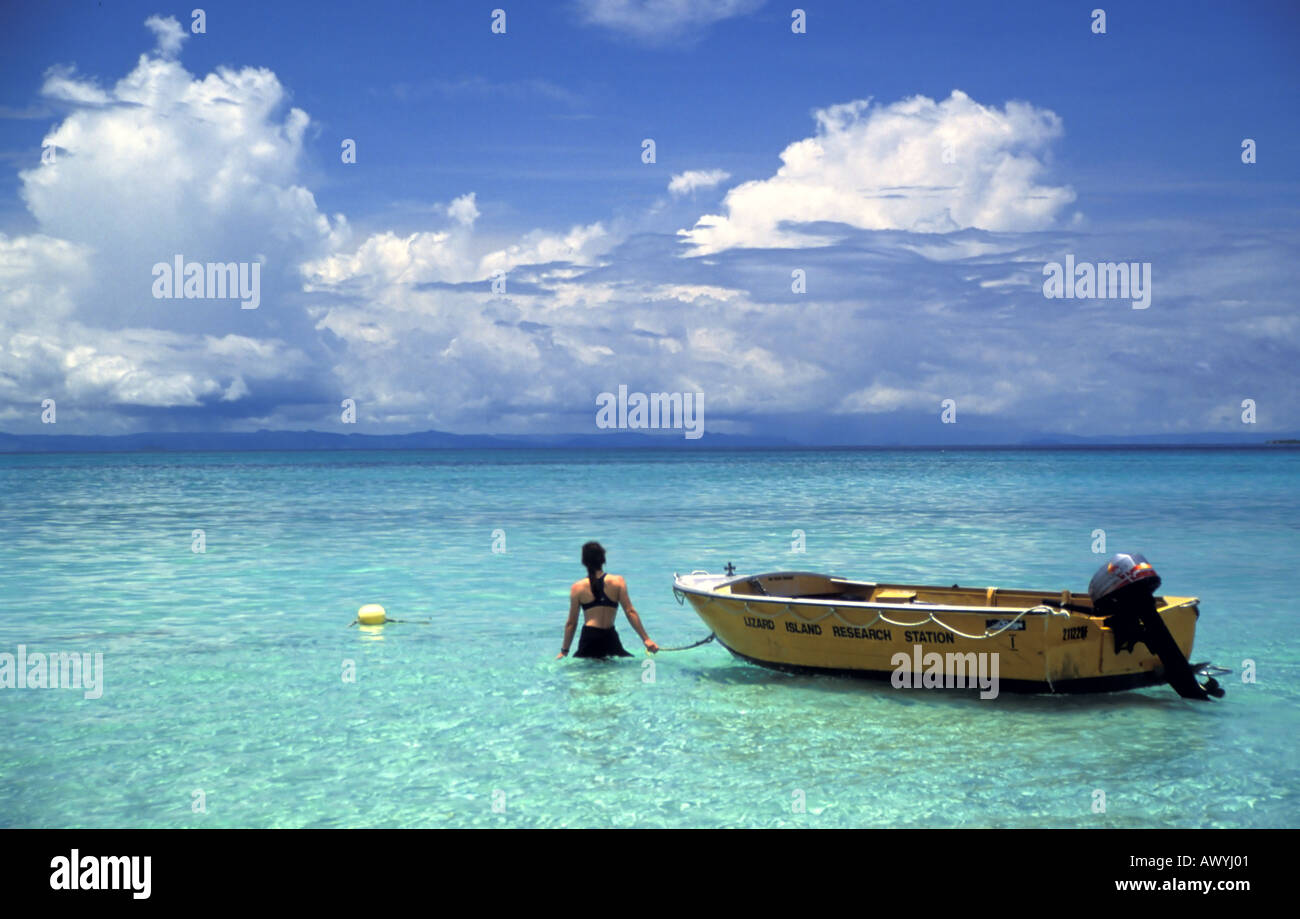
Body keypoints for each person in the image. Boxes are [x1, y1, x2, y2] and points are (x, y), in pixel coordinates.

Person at [557, 541, 659, 659]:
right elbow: (630, 612)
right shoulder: (618, 581)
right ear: (603, 559)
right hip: (610, 637)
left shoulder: (577, 587)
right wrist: (646, 639)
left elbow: (571, 623)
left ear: (584, 562)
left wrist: (564, 651)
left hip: (590, 638)